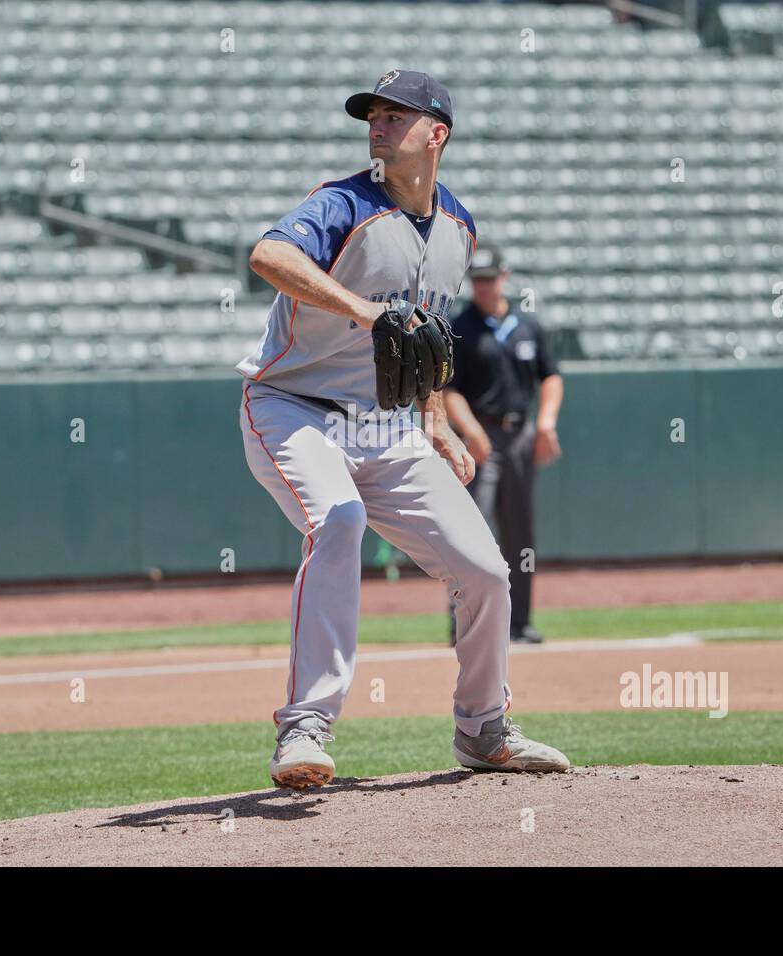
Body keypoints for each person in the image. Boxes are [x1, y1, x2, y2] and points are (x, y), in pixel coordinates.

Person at [235, 70, 571, 789]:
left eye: (397, 115)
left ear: (436, 134)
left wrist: (437, 421)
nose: (379, 125)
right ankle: (306, 726)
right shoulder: (343, 202)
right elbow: (268, 257)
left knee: (484, 570)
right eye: (374, 116)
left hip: (387, 427)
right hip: (292, 406)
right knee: (339, 520)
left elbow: (427, 343)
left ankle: (484, 729)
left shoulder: (458, 229)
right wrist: (362, 309)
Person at [445, 246, 564, 646]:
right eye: (476, 281)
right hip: (478, 437)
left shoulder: (527, 327)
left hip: (520, 434)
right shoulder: (460, 329)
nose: (483, 287)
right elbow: (447, 390)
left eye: (489, 279)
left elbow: (550, 376)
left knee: (519, 532)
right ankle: (464, 625)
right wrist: (470, 430)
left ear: (504, 277)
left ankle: (520, 622)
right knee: (472, 530)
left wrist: (545, 422)